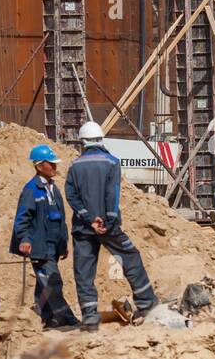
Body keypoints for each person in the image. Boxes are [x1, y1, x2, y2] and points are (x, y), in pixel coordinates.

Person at [64, 120, 157, 330]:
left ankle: (89, 317)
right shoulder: (111, 162)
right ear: (100, 139)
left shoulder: (74, 165)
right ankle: (146, 302)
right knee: (130, 257)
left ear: (83, 142)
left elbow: (71, 195)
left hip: (83, 227)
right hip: (109, 226)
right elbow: (112, 194)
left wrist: (89, 218)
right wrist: (108, 220)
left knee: (84, 271)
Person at [10, 144, 79, 330]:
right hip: (39, 245)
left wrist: (63, 244)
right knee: (52, 281)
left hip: (53, 245)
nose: (55, 168)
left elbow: (61, 218)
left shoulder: (53, 189)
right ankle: (66, 318)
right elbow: (22, 217)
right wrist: (24, 239)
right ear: (39, 166)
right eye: (51, 164)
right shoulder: (31, 189)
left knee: (44, 284)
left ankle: (43, 318)